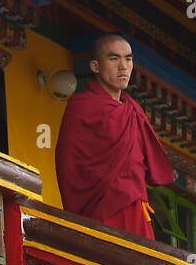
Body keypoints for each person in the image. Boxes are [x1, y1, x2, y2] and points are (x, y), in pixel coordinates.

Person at [54, 32, 174, 238]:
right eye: (113, 59)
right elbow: (68, 165)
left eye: (128, 59)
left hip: (136, 210)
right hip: (101, 211)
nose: (123, 66)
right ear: (95, 66)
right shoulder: (81, 107)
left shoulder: (132, 110)